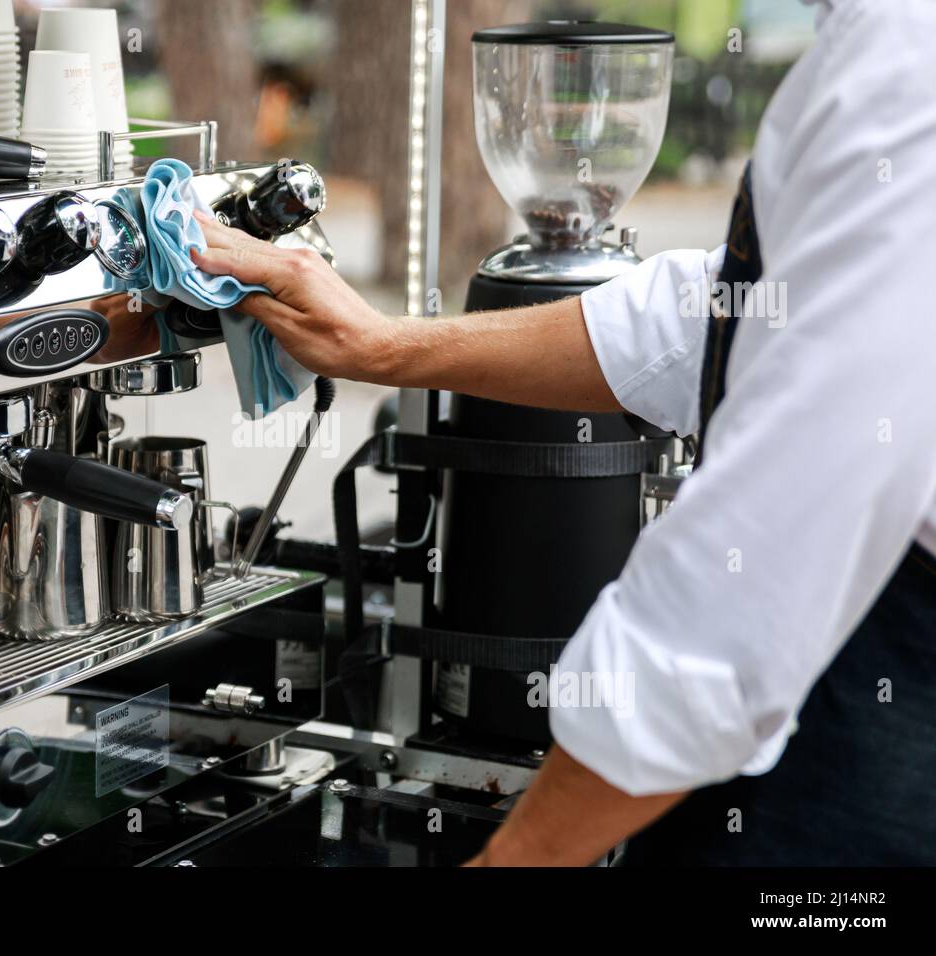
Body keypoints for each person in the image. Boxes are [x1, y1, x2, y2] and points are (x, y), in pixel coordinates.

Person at [191, 0, 936, 866]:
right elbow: (724, 308)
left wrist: (518, 858)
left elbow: (756, 568)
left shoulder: (904, 57)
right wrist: (385, 345)